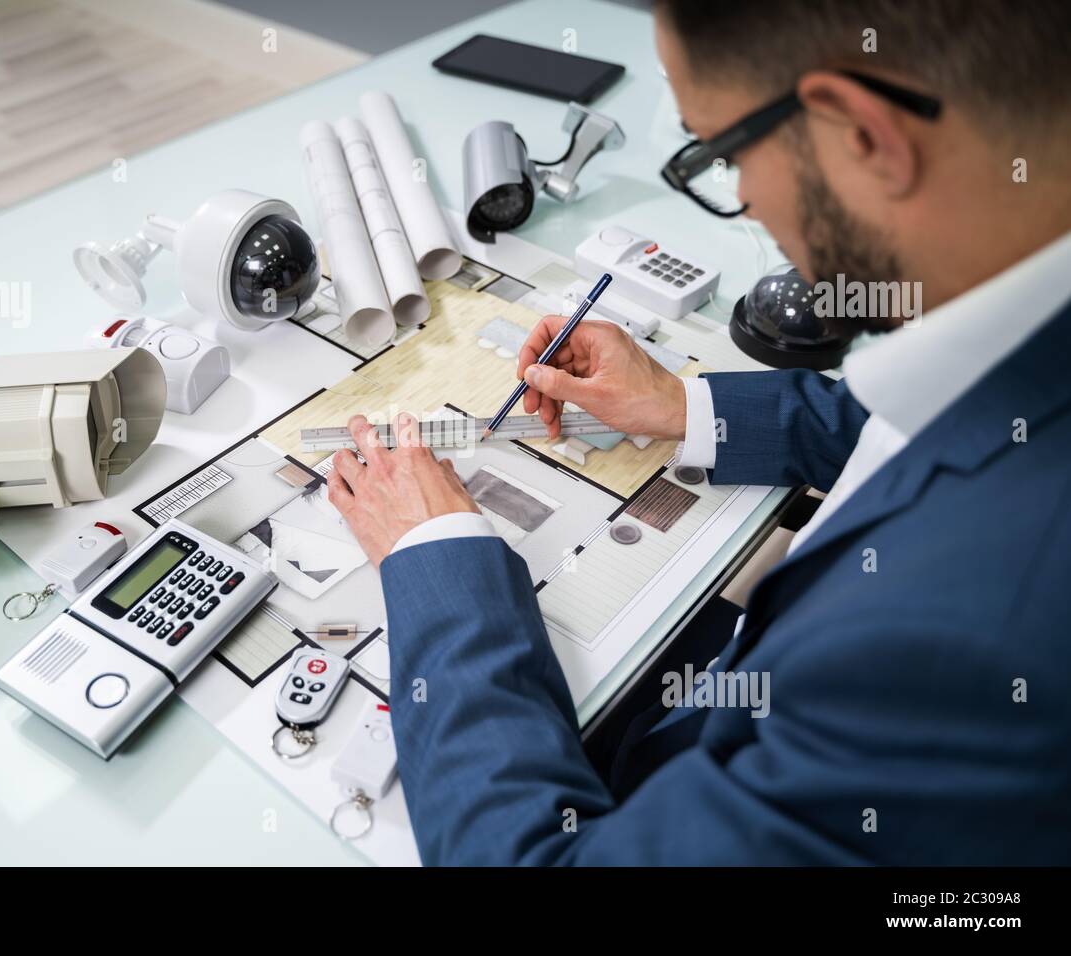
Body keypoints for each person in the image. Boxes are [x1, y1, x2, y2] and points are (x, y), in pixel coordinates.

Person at [325, 0, 1071, 864]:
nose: (745, 199)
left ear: (861, 135)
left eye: (719, 151)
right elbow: (914, 423)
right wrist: (681, 405)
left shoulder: (955, 651)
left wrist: (436, 554)